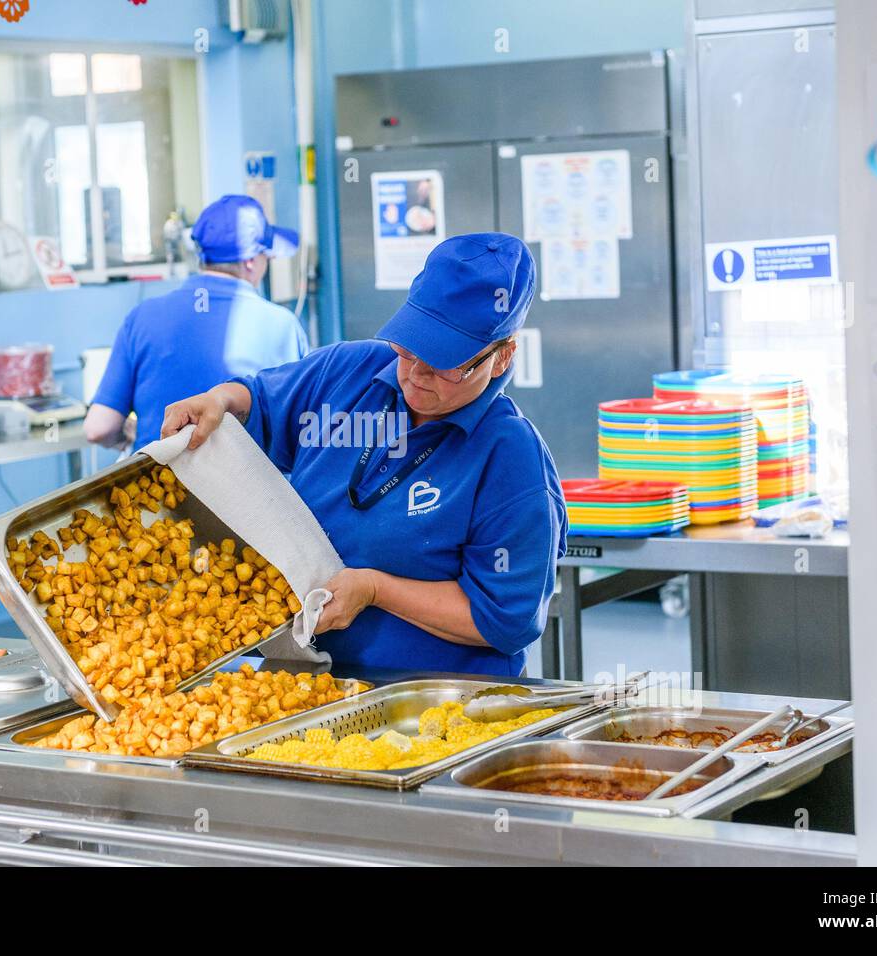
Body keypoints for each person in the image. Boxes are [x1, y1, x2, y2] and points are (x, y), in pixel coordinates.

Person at [162, 233, 567, 676]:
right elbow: (259, 400)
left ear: (503, 356)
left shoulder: (511, 459)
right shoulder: (350, 373)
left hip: (434, 700)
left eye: (443, 364)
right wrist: (219, 399)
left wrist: (376, 589)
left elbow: (504, 619)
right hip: (304, 684)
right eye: (408, 349)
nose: (414, 374)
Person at [85, 195, 309, 450]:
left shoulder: (143, 317)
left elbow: (98, 428)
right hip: (251, 487)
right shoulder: (283, 326)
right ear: (250, 260)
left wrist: (125, 438)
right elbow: (304, 427)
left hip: (163, 487)